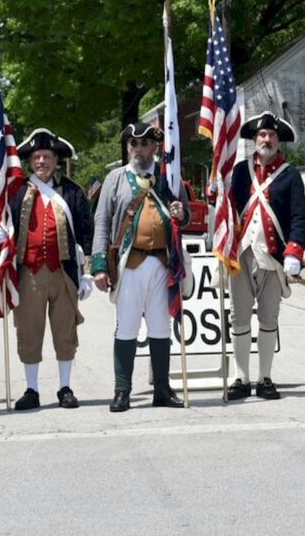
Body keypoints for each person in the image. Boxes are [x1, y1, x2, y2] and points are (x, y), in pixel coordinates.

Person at [91, 122, 190, 412]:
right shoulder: (115, 178)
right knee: (127, 326)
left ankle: (162, 389)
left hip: (162, 262)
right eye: (133, 144)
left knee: (161, 327)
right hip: (130, 262)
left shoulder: (169, 175)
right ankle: (122, 390)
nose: (138, 149)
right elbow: (102, 221)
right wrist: (99, 266)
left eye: (144, 143)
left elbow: (183, 216)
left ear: (155, 146)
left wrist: (180, 213)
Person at [0, 129, 94, 410]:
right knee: (29, 331)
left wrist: (87, 272)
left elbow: (86, 232)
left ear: (56, 160)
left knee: (65, 331)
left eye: (47, 157)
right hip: (29, 272)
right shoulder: (16, 191)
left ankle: (65, 387)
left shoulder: (72, 192)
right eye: (37, 157)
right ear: (30, 161)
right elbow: (4, 223)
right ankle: (32, 389)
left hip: (63, 272)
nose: (41, 161)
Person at [227, 111, 305, 401]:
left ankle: (265, 378)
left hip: (272, 257)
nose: (266, 139)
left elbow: (299, 217)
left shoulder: (290, 174)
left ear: (278, 140)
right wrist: (215, 193)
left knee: (268, 317)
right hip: (242, 254)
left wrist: (294, 250)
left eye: (272, 135)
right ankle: (240, 377)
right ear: (254, 139)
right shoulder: (239, 171)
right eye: (262, 135)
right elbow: (228, 206)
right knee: (239, 317)